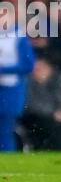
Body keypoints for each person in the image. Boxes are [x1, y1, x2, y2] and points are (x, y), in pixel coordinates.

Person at [0, 16, 36, 151]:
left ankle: (6, 162)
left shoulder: (18, 37)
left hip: (11, 89)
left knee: (4, 130)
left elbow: (28, 65)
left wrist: (4, 70)